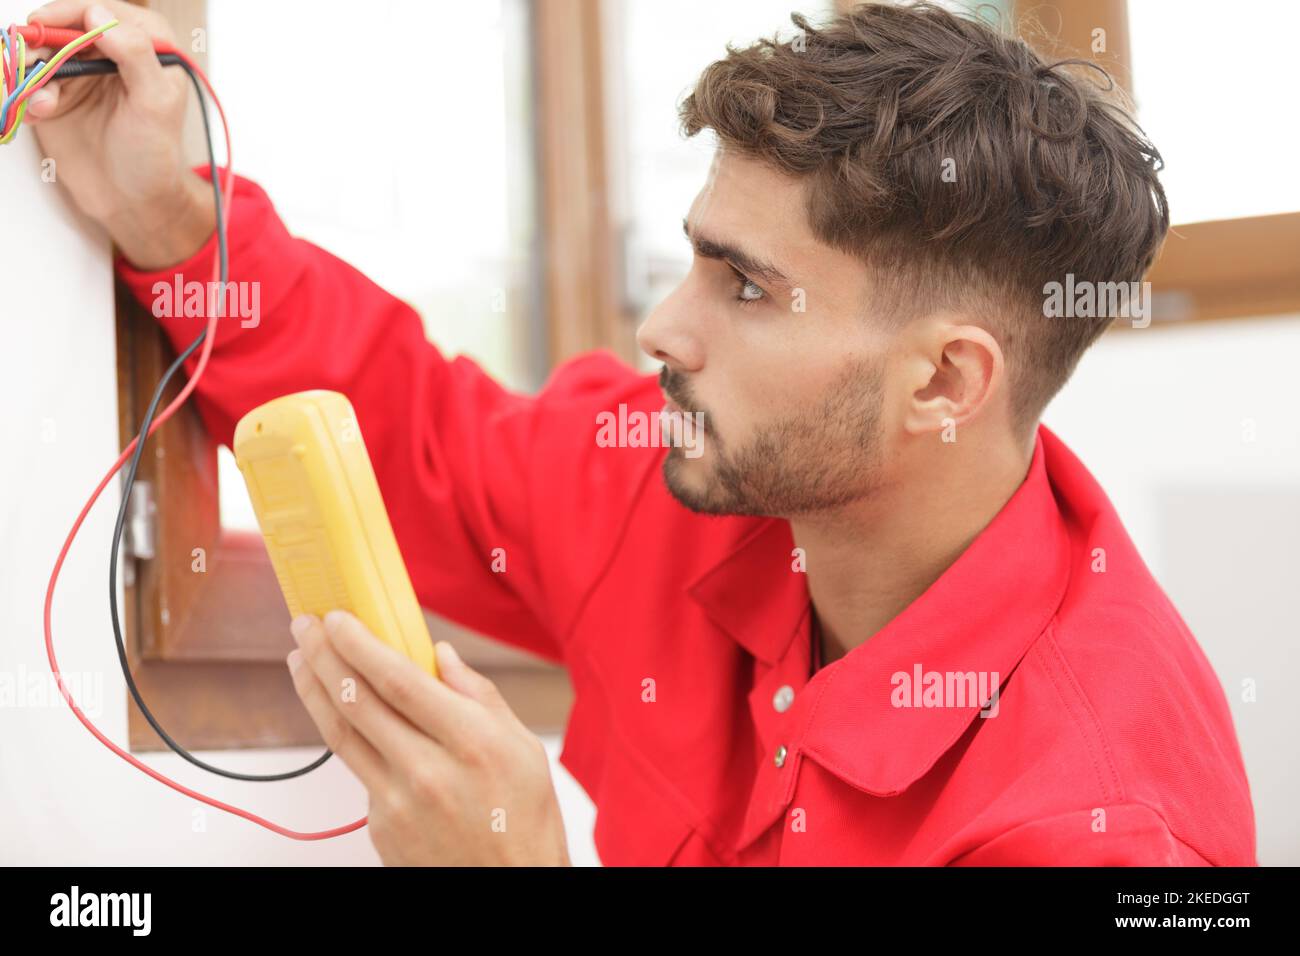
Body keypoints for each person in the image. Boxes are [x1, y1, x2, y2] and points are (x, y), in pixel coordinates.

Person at [24, 0, 1255, 866]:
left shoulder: (1103, 820)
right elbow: (424, 441)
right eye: (691, 262)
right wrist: (176, 223)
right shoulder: (674, 482)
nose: (664, 327)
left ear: (942, 381)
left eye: (746, 286)